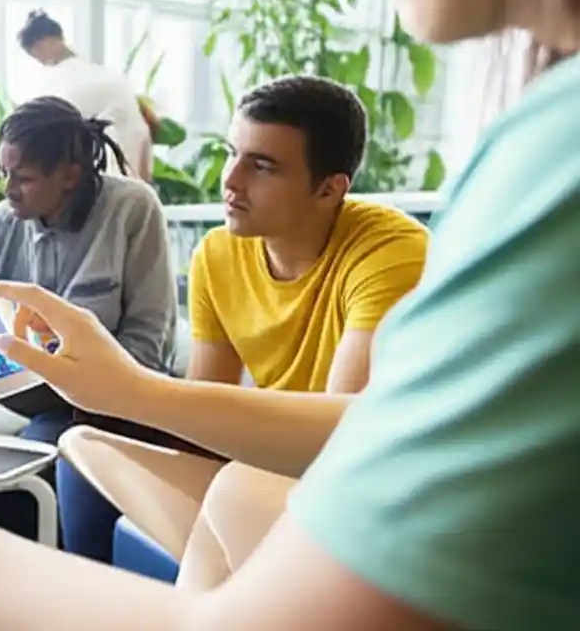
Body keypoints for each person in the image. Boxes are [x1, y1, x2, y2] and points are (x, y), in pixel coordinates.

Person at [0, 0, 580, 628]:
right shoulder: (210, 248)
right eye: (232, 159)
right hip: (236, 466)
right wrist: (123, 391)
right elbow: (348, 433)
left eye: (263, 167)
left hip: (299, 499)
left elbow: (350, 429)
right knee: (204, 483)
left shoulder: (530, 167)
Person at [57, 74, 430, 564]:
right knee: (81, 447)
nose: (230, 181)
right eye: (233, 153)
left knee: (236, 490)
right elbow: (201, 431)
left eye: (263, 166)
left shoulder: (391, 252)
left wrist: (130, 388)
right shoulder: (218, 254)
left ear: (329, 189)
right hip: (270, 474)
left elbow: (344, 440)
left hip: (364, 487)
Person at [0, 96, 177, 444]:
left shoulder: (131, 208)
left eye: (24, 178)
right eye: (4, 173)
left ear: (70, 175)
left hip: (119, 401)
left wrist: (69, 385)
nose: (9, 190)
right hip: (30, 396)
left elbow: (147, 345)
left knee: (44, 452)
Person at [18, 10, 153, 181]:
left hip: (109, 166)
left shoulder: (61, 82)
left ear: (40, 44)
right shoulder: (105, 74)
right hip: (135, 157)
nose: (42, 63)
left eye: (36, 56)